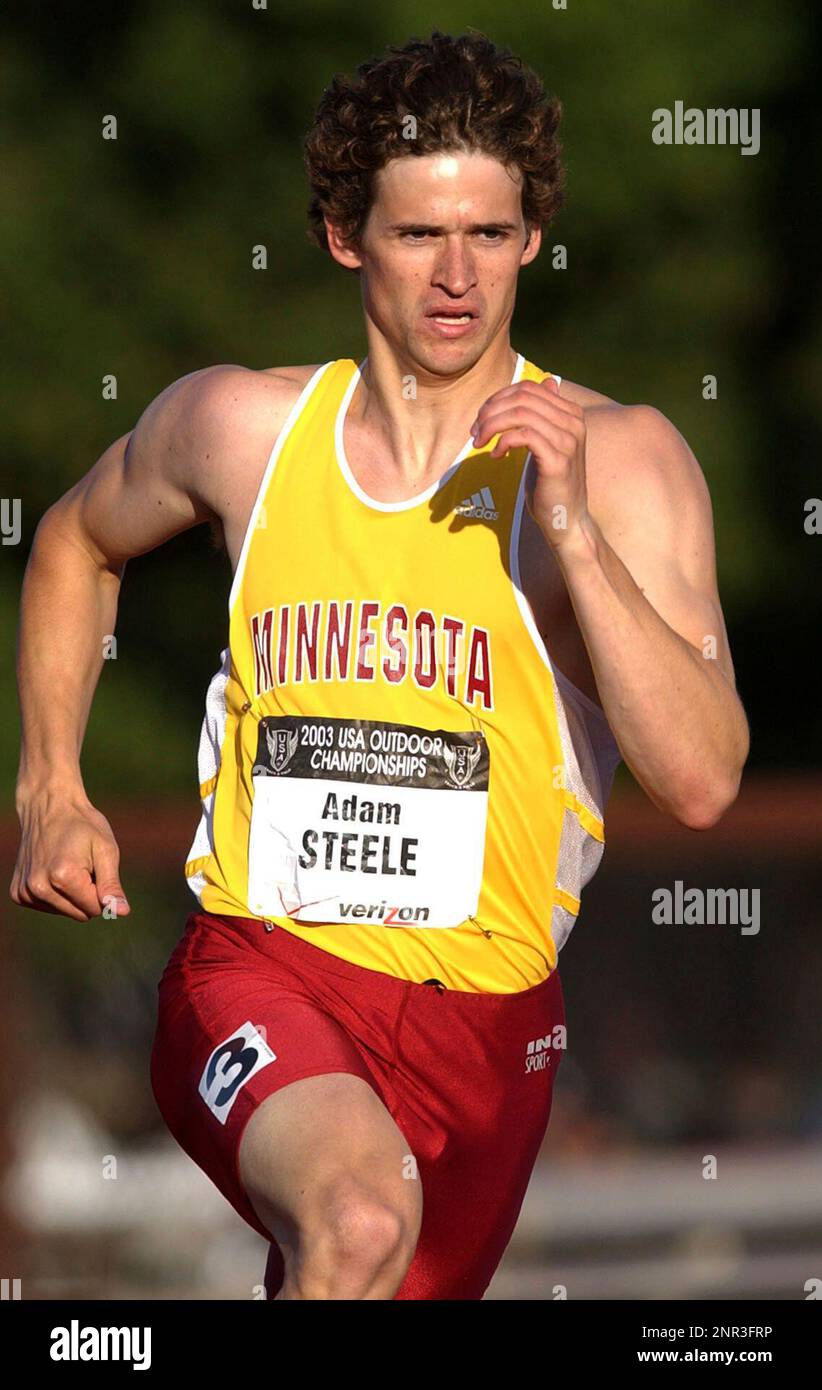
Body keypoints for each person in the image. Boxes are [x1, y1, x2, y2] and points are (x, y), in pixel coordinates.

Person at [11, 30, 749, 1300]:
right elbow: (75, 538)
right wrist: (49, 782)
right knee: (353, 1223)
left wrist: (566, 522)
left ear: (530, 237)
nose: (459, 277)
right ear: (348, 236)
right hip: (263, 965)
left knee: (359, 1264)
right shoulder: (245, 431)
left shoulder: (622, 463)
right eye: (419, 236)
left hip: (488, 1032)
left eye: (493, 235)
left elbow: (701, 780)